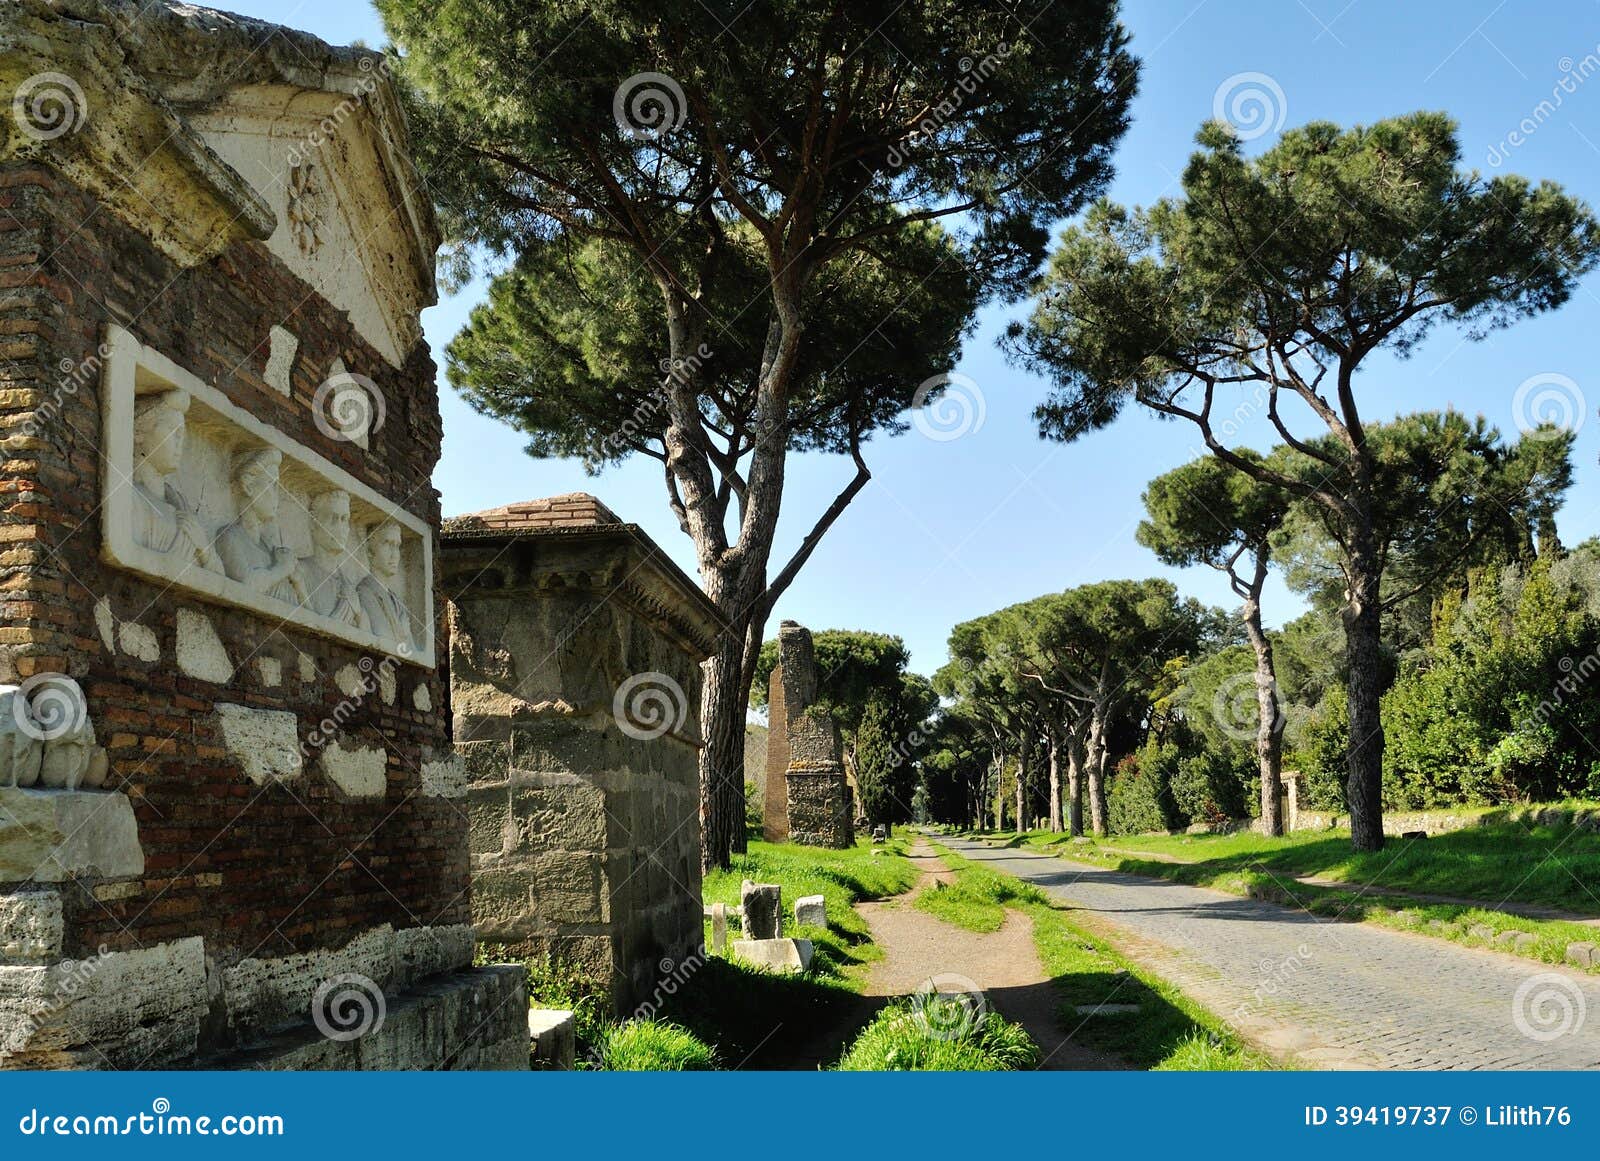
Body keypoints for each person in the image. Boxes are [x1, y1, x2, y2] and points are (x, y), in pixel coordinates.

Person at [129, 389, 220, 574]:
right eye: (174, 431)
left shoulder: (181, 506)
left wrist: (204, 549)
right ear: (138, 433)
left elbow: (220, 578)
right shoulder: (131, 497)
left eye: (183, 434)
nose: (180, 442)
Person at [214, 445, 302, 604]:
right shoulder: (229, 538)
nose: (277, 495)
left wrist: (298, 584)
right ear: (248, 486)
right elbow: (246, 588)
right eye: (271, 484)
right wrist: (282, 570)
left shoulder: (271, 550)